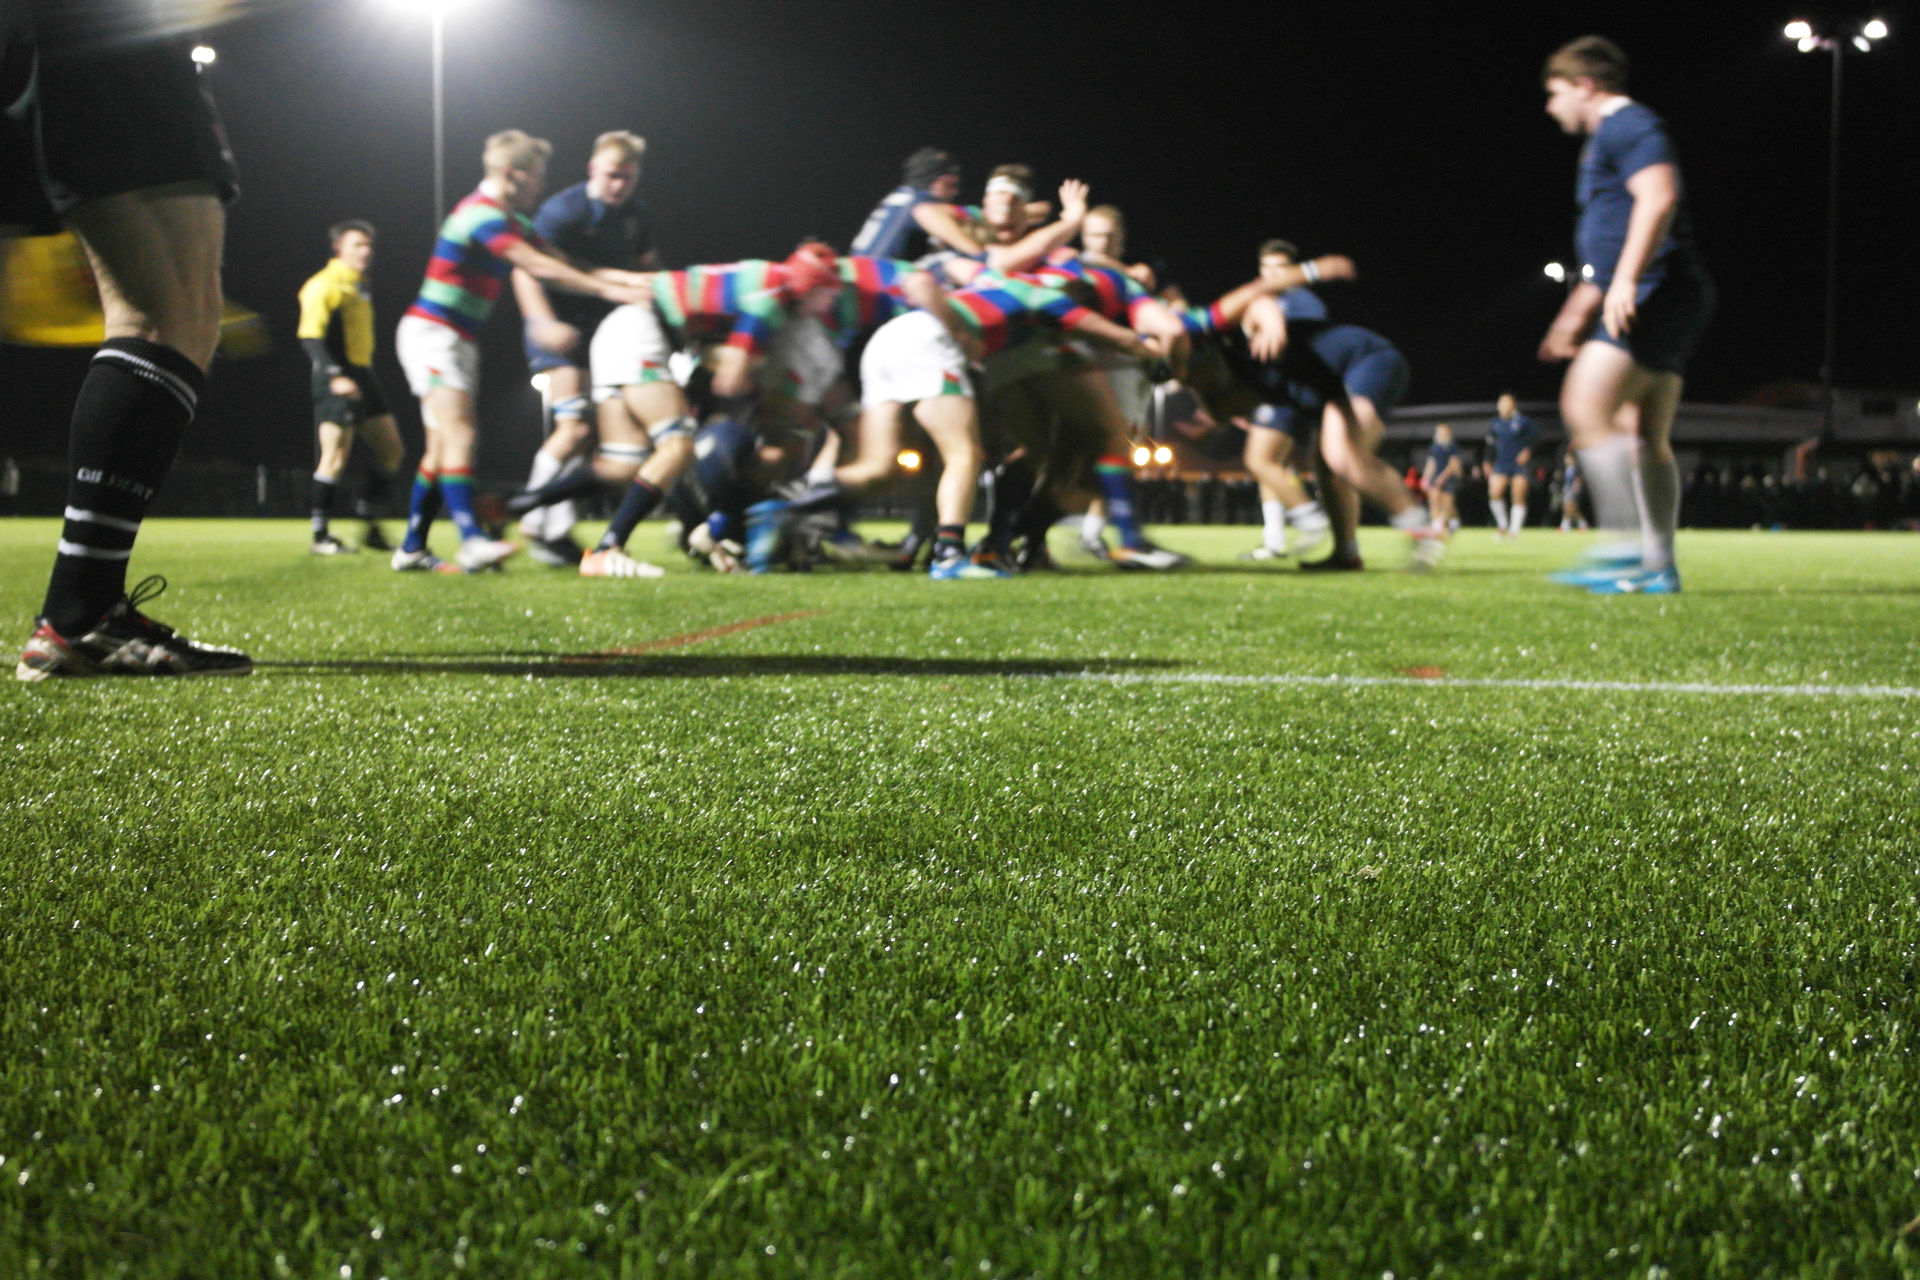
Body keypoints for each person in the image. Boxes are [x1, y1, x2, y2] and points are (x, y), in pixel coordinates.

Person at [10, 8, 253, 679]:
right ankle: (79, 615)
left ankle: (83, 611)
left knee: (168, 316)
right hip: (102, 31)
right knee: (164, 319)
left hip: (69, 36)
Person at [391, 129, 651, 574]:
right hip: (432, 334)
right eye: (537, 176)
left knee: (440, 450)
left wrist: (630, 282)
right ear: (513, 174)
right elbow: (537, 267)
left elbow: (564, 262)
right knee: (460, 435)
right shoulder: (481, 213)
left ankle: (413, 548)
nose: (541, 185)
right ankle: (472, 540)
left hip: (456, 338)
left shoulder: (511, 219)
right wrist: (610, 291)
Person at [1538, 35, 1714, 594]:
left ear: (1586, 85)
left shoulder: (1627, 124)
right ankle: (1658, 566)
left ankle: (1621, 549)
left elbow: (1658, 197)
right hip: (1664, 289)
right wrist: (1577, 310)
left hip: (1658, 288)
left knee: (1584, 405)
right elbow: (1611, 241)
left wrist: (1629, 281)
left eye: (1556, 93)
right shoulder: (1608, 137)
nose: (1551, 107)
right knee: (1641, 434)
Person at [509, 130, 657, 566]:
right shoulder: (563, 211)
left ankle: (555, 531)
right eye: (612, 175)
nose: (619, 185)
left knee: (590, 435)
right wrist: (541, 321)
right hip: (559, 326)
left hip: (601, 332)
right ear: (593, 169)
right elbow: (525, 268)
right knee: (573, 428)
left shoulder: (636, 214)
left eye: (628, 177)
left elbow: (647, 266)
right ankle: (532, 513)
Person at [297, 219, 403, 555]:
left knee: (391, 450)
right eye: (357, 244)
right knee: (334, 457)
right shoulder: (324, 284)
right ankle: (320, 537)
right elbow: (310, 336)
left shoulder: (359, 285)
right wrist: (334, 375)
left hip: (362, 374)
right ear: (338, 247)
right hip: (336, 376)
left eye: (368, 245)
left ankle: (370, 525)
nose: (366, 251)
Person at [850, 147, 983, 263]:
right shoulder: (923, 203)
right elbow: (970, 248)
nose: (955, 192)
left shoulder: (898, 197)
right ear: (938, 182)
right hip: (880, 275)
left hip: (856, 269)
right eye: (952, 185)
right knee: (956, 259)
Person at [1485, 392, 1537, 539]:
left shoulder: (1524, 421)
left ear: (1513, 405)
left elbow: (1536, 439)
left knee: (1518, 496)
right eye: (1500, 403)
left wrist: (1527, 451)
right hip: (1501, 463)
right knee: (1495, 492)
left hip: (1519, 465)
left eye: (1505, 403)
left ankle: (1514, 531)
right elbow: (1489, 444)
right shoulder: (1495, 423)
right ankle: (1503, 525)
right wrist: (1487, 461)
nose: (1502, 406)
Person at [1422, 424, 1463, 534]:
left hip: (1449, 478)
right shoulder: (1434, 447)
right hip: (1436, 477)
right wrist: (1425, 477)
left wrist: (1442, 477)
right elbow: (1431, 463)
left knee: (1448, 505)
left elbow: (1453, 464)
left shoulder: (1453, 447)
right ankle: (1435, 526)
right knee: (1434, 501)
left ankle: (1454, 523)